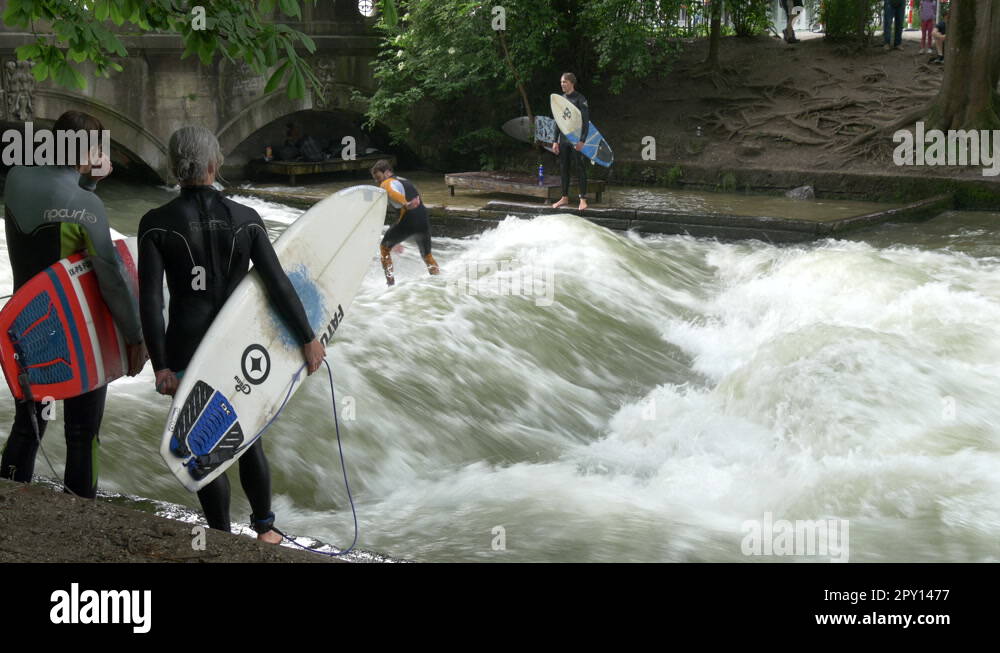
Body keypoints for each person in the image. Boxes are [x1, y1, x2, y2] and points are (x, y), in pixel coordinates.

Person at [137, 126, 325, 543]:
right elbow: (278, 285)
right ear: (213, 165)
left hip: (188, 346)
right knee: (248, 436)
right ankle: (265, 529)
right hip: (239, 345)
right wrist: (307, 337)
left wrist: (162, 363)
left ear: (174, 166)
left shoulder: (156, 224)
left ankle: (220, 533)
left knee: (199, 441)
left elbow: (151, 301)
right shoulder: (246, 219)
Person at [1, 110, 146, 498]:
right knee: (82, 433)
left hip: (26, 329)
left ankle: (9, 500)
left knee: (29, 425)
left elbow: (59, 205)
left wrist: (89, 181)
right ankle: (82, 509)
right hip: (74, 336)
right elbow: (111, 279)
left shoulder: (16, 178)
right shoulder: (86, 205)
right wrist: (134, 336)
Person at [371, 160, 439, 286]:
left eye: (379, 177)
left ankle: (390, 284)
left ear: (386, 172)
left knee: (384, 248)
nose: (378, 182)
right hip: (423, 220)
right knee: (427, 255)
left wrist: (405, 203)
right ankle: (438, 280)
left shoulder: (386, 183)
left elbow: (393, 192)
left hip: (408, 220)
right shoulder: (404, 180)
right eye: (375, 180)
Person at [551, 73, 590, 211]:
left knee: (580, 167)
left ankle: (583, 199)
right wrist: (555, 140)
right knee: (564, 168)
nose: (562, 84)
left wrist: (582, 140)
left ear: (572, 83)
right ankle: (564, 197)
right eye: (561, 82)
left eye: (565, 82)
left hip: (576, 139)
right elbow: (558, 121)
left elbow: (586, 123)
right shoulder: (561, 99)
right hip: (564, 139)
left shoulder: (580, 99)